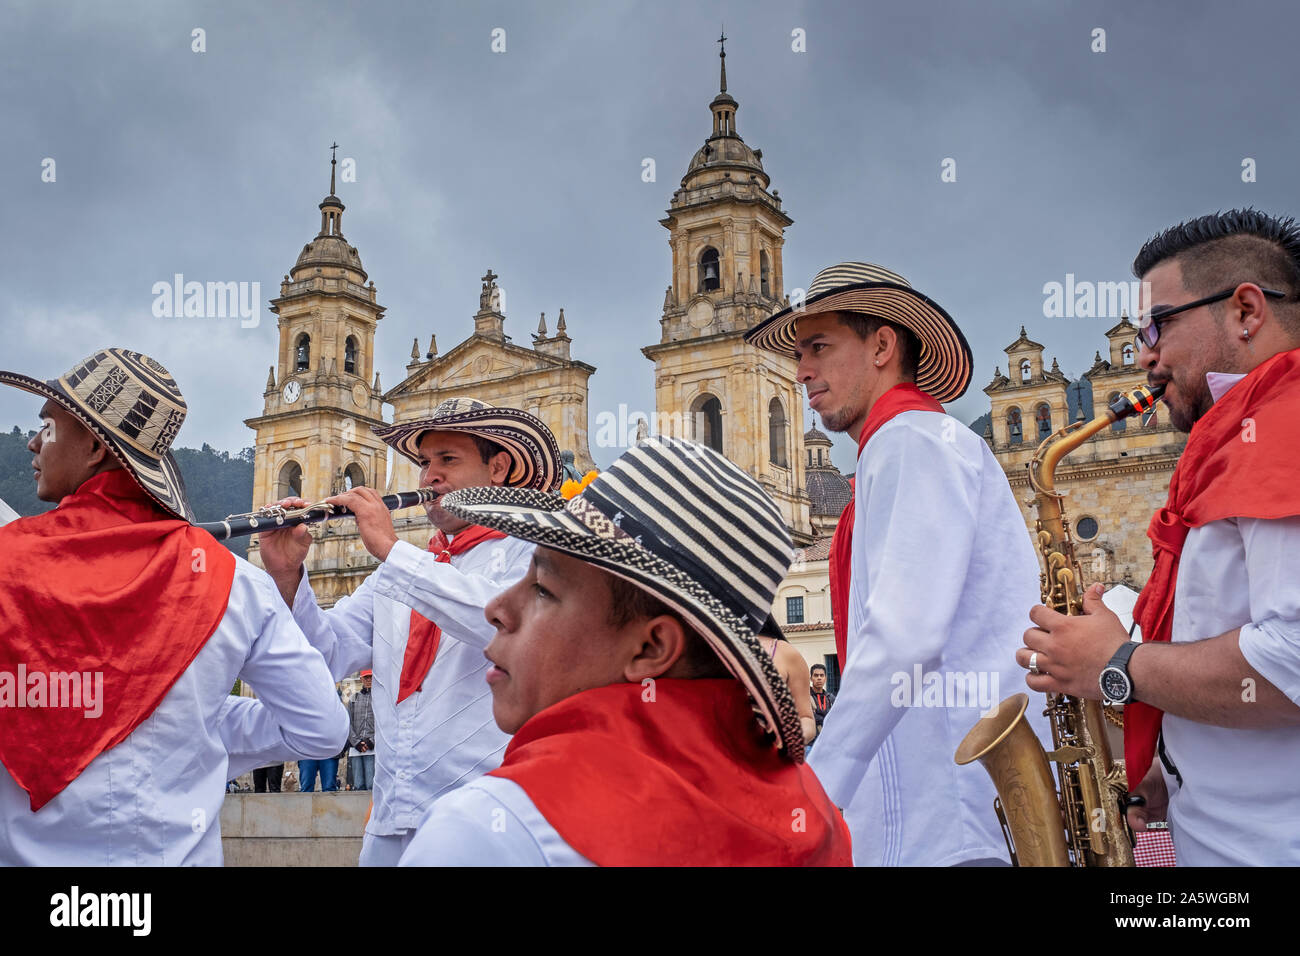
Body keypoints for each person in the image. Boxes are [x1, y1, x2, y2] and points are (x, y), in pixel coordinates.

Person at [398, 437, 852, 866]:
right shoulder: (819, 821)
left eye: (543, 589)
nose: (496, 608)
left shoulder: (488, 830)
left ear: (652, 647)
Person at [1018, 209, 1300, 866]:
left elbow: (1291, 659)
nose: (1145, 354)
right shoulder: (1243, 433)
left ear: (1245, 311)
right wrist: (1166, 767)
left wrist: (1116, 667)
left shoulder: (1282, 428)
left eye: (1159, 325)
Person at [745, 262, 1047, 866]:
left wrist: (819, 789)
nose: (801, 371)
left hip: (948, 806)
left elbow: (905, 634)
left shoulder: (909, 441)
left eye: (820, 348)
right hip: (944, 800)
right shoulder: (913, 442)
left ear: (883, 344)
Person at [0, 348, 347, 864]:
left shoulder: (8, 559)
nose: (32, 441)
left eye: (47, 425)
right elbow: (322, 728)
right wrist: (188, 716)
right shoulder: (238, 584)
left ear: (95, 446)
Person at [258, 398, 561, 866]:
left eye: (447, 460)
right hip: (391, 816)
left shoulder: (536, 556)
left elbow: (500, 624)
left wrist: (393, 549)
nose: (427, 478)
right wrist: (286, 576)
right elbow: (327, 652)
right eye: (423, 463)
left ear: (498, 468)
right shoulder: (401, 572)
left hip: (488, 822)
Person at [758, 616, 816, 744]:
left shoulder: (784, 652)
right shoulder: (707, 648)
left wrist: (789, 738)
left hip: (770, 757)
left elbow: (806, 719)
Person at [349, 669, 376, 791]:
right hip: (357, 746)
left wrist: (372, 741)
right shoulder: (353, 698)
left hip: (373, 747)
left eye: (371, 677)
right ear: (361, 679)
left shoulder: (379, 698)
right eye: (366, 678)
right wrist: (356, 742)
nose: (369, 680)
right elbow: (348, 723)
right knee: (358, 784)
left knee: (371, 784)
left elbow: (384, 723)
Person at [809, 663, 836, 741]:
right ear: (811, 678)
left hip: (828, 740)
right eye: (816, 675)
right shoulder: (806, 697)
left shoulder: (830, 698)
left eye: (822, 675)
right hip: (811, 743)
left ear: (825, 678)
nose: (819, 678)